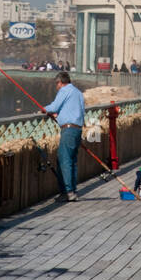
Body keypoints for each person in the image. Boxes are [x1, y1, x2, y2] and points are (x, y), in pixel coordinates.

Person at [43, 72, 86, 203]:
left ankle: (68, 192)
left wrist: (43, 109)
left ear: (60, 83)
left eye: (57, 84)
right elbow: (73, 110)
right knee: (71, 160)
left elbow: (54, 107)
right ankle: (71, 191)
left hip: (68, 130)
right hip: (77, 129)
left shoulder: (64, 90)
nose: (57, 87)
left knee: (65, 160)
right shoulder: (78, 92)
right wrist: (58, 116)